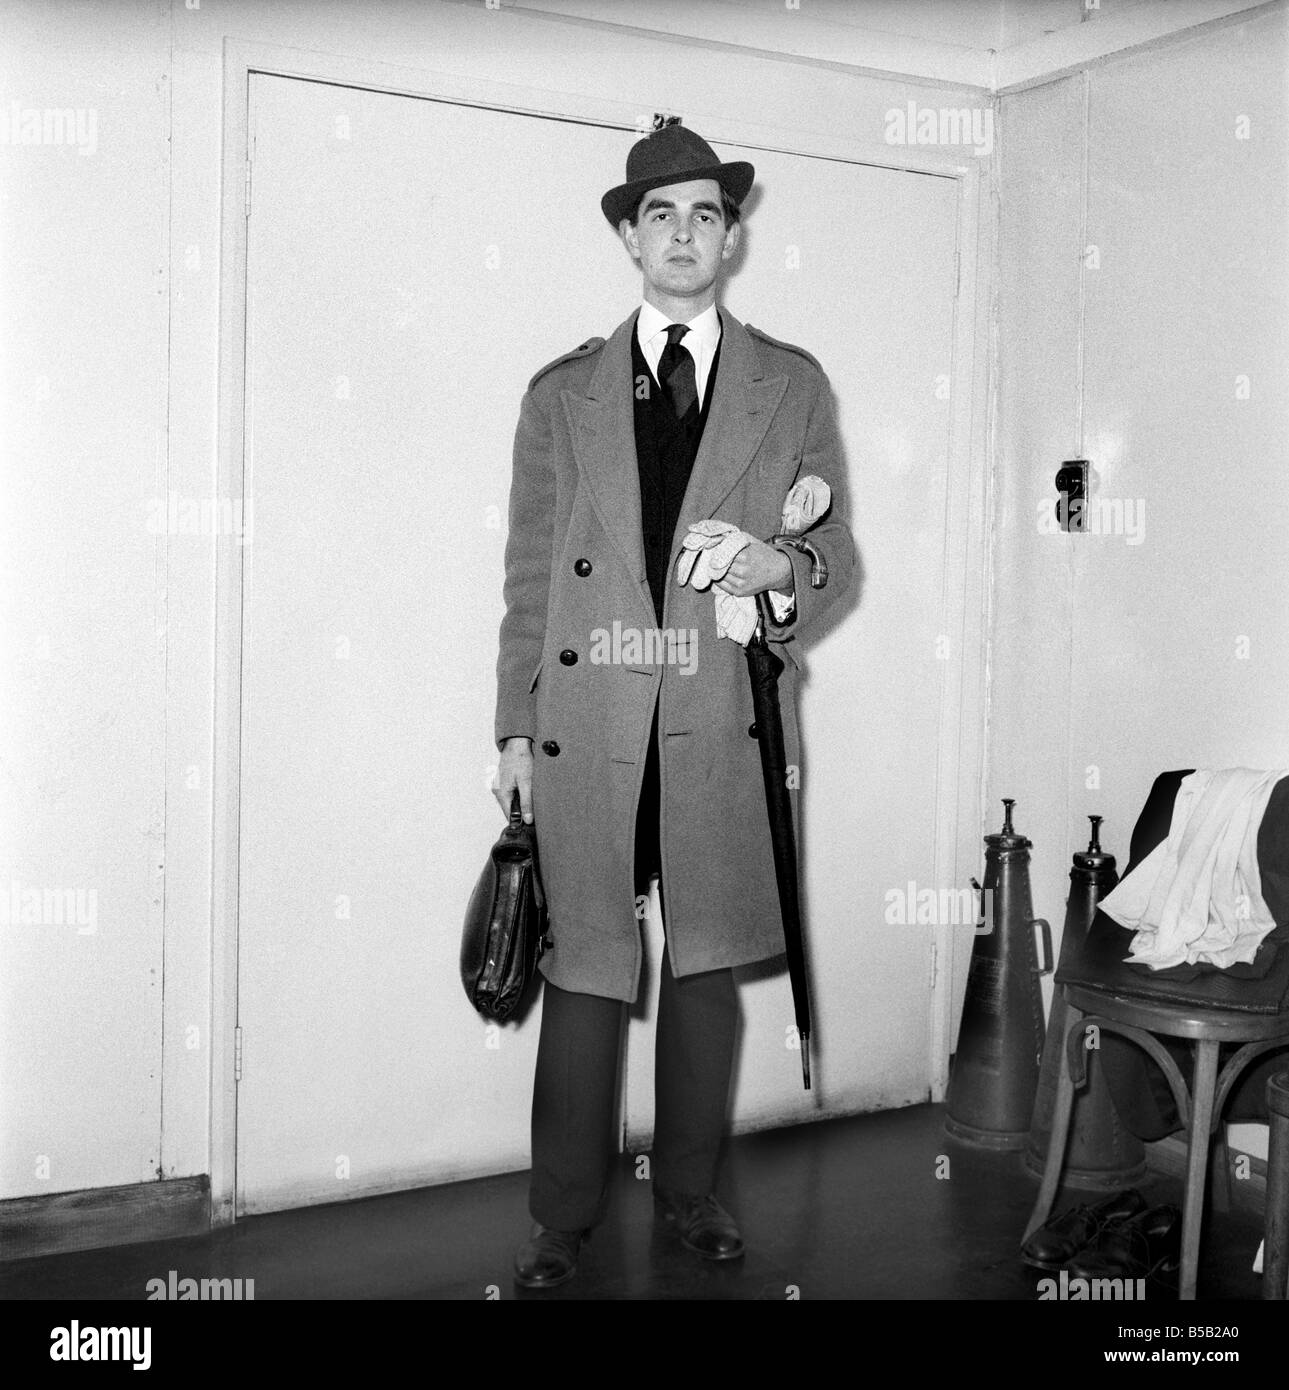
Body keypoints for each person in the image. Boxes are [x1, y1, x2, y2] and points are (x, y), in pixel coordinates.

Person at [491, 122, 855, 1289]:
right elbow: (526, 570)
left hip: (713, 715)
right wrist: (510, 727)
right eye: (660, 215)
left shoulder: (787, 386)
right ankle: (561, 1217)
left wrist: (770, 569)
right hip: (590, 711)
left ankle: (691, 1194)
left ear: (732, 235)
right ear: (626, 235)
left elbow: (830, 554)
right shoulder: (559, 395)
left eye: (704, 213)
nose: (683, 234)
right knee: (585, 969)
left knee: (703, 968)